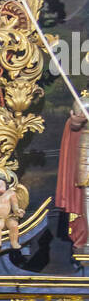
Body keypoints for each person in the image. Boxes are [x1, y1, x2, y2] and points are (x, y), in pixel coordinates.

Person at [55, 96, 89, 251]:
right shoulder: (83, 102)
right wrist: (76, 122)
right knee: (86, 196)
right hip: (86, 156)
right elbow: (75, 125)